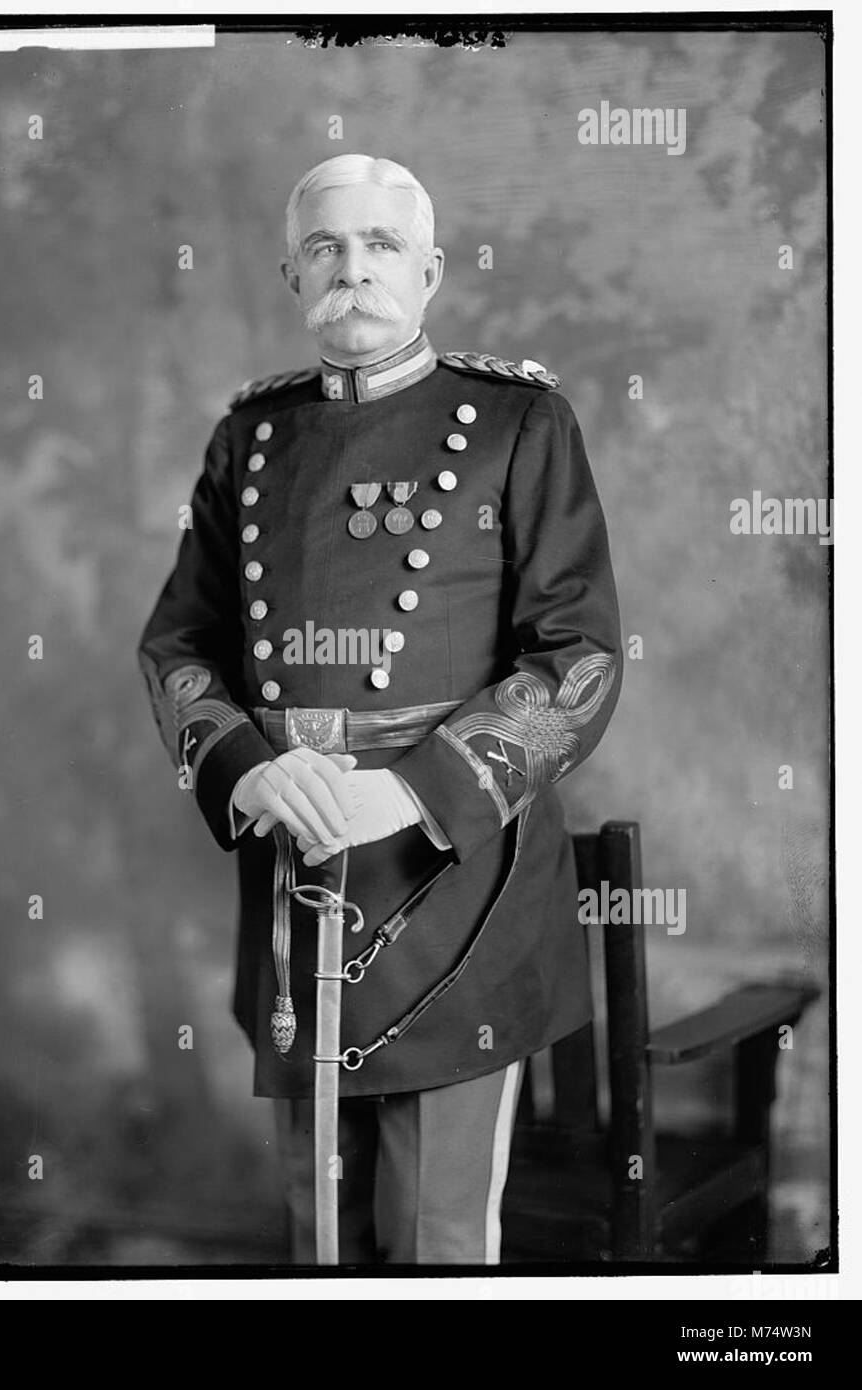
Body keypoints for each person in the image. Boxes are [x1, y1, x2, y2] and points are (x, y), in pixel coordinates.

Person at [138, 153, 623, 1265]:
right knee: (321, 1230)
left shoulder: (518, 420)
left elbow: (580, 659)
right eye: (325, 247)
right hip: (294, 859)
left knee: (433, 1238)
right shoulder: (250, 435)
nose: (352, 269)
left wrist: (412, 791)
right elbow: (179, 646)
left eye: (380, 245)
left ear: (430, 270)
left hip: (456, 874)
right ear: (292, 275)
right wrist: (248, 769)